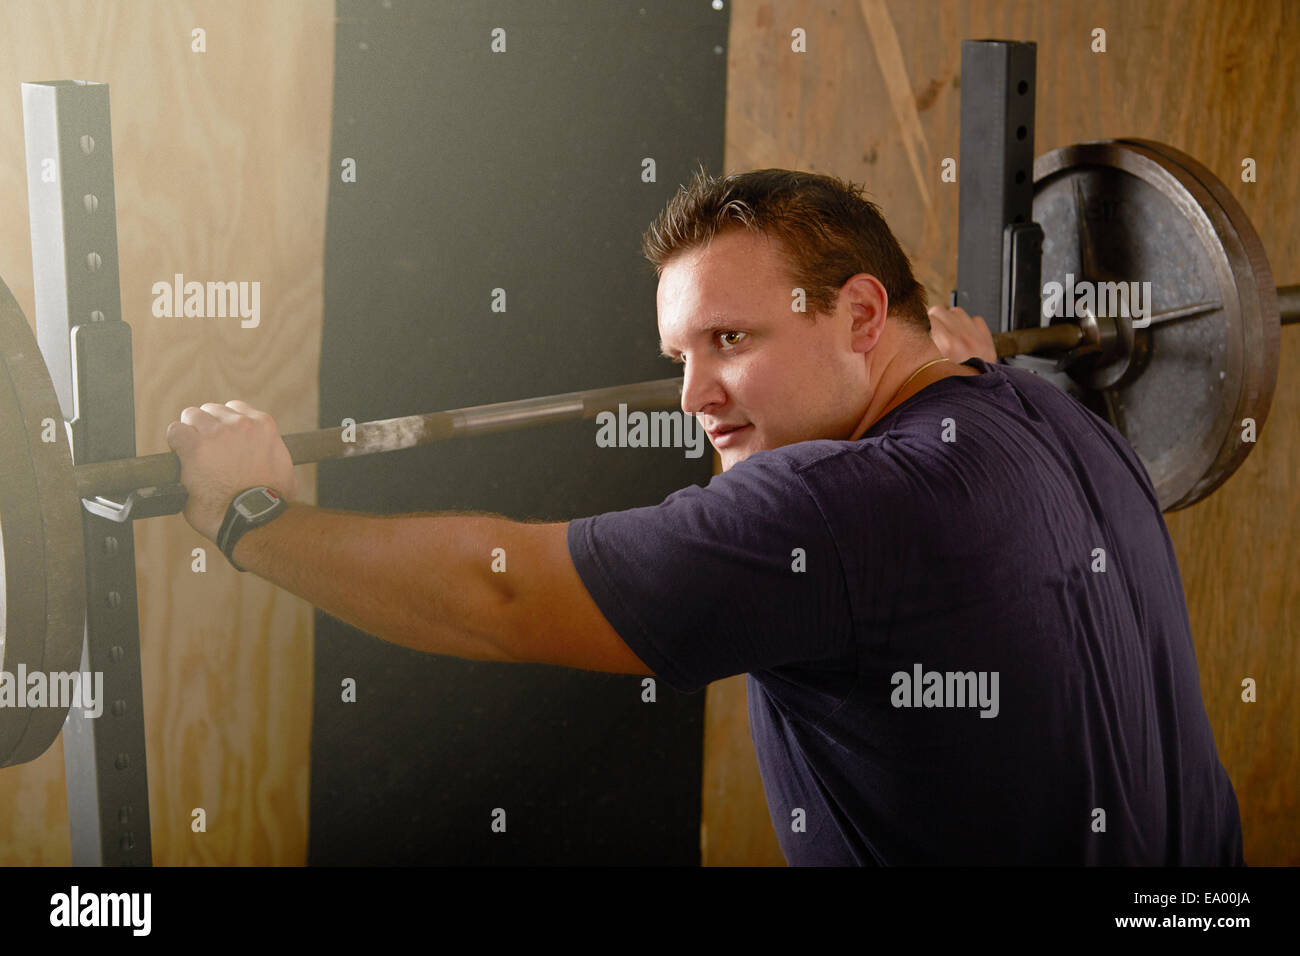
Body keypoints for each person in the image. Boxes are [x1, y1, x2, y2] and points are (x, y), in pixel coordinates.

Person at [166, 167, 1243, 866]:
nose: (692, 398)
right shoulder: (1061, 419)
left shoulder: (835, 506)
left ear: (863, 314)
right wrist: (960, 363)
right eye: (679, 356)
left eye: (731, 340)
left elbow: (500, 592)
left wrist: (248, 518)